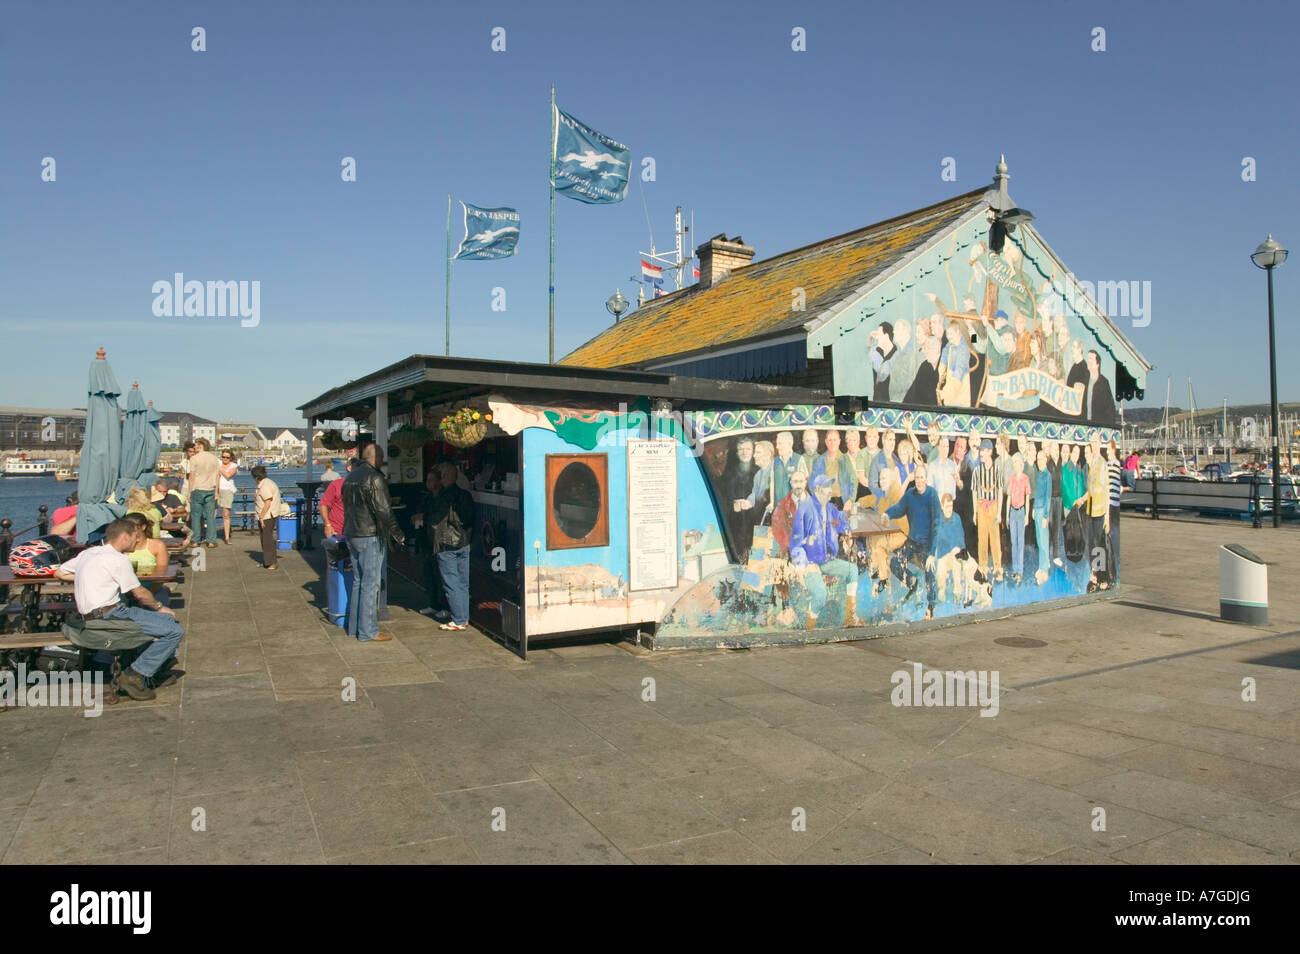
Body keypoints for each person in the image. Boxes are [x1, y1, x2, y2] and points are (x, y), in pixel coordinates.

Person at [54, 518, 185, 701]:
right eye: (135, 537)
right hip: (110, 614)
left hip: (92, 614)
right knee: (175, 630)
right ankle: (135, 674)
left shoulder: (89, 553)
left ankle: (155, 669)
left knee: (167, 622)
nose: (137, 541)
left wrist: (92, 577)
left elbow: (60, 572)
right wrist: (159, 607)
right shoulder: (118, 559)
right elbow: (139, 593)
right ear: (124, 537)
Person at [342, 443, 404, 642]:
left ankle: (354, 628)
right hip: (369, 534)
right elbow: (383, 510)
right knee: (370, 584)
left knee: (359, 582)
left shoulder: (350, 476)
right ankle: (368, 631)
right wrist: (398, 534)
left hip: (352, 532)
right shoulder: (375, 478)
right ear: (377, 459)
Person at [789, 475, 862, 630]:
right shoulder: (805, 509)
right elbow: (795, 543)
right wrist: (804, 565)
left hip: (827, 560)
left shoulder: (830, 508)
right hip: (810, 563)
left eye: (830, 487)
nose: (830, 491)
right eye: (827, 487)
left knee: (853, 570)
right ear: (817, 490)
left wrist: (847, 530)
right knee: (820, 595)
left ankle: (850, 617)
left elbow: (840, 522)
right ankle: (809, 629)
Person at [885, 462, 940, 619]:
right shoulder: (910, 494)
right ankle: (911, 581)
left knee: (930, 571)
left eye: (922, 478)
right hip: (912, 542)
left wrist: (931, 553)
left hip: (927, 543)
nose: (919, 481)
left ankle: (931, 606)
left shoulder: (932, 495)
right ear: (914, 479)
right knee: (895, 562)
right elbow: (899, 508)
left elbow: (937, 525)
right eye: (917, 478)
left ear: (926, 479)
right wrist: (887, 514)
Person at [424, 461, 474, 631]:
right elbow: (469, 519)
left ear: (444, 477)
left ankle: (459, 619)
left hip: (447, 542)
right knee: (463, 582)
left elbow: (433, 521)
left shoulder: (442, 497)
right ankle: (464, 616)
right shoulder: (465, 495)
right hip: (464, 542)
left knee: (451, 581)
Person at [411, 469, 451, 621]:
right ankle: (433, 603)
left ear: (440, 481)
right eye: (427, 480)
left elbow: (439, 517)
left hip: (439, 540)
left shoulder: (443, 498)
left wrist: (424, 517)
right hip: (426, 539)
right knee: (428, 574)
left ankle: (445, 606)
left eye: (432, 480)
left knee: (440, 575)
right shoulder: (427, 498)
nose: (429, 483)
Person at [972, 440, 1003, 581]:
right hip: (981, 505)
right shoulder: (977, 471)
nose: (980, 453)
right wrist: (975, 512)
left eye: (983, 450)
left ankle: (998, 568)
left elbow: (1000, 491)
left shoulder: (997, 469)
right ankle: (983, 567)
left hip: (994, 505)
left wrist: (999, 511)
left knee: (995, 539)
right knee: (982, 538)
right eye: (980, 451)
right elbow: (974, 492)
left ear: (990, 451)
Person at [121, 512, 171, 597]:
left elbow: (161, 574)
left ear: (143, 527)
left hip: (153, 588)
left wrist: (148, 595)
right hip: (127, 590)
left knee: (161, 597)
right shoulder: (123, 546)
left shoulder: (157, 546)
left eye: (131, 527)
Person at [188, 437, 221, 548]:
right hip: (210, 489)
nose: (195, 448)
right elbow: (217, 477)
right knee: (210, 516)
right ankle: (211, 540)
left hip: (197, 488)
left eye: (196, 446)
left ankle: (196, 540)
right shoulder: (214, 459)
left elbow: (192, 476)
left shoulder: (194, 459)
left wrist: (189, 492)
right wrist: (216, 491)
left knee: (196, 516)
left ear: (200, 446)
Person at [1006, 453, 1031, 583]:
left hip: (1021, 512)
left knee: (1020, 543)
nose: (1015, 465)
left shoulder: (1026, 479)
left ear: (1021, 464)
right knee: (1013, 542)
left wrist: (1027, 515)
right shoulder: (1011, 479)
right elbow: (1008, 497)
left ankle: (1020, 572)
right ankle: (1015, 571)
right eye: (1014, 463)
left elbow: (1027, 498)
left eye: (1017, 463)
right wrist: (1006, 515)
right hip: (1012, 512)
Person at [252, 464, 282, 570]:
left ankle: (271, 563)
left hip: (267, 516)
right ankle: (268, 561)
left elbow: (267, 502)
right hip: (269, 515)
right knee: (266, 538)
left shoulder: (265, 485)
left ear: (256, 477)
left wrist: (261, 517)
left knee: (267, 539)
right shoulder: (268, 483)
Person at [1032, 449, 1053, 583]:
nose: (1039, 462)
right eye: (1038, 459)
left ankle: (1044, 571)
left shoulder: (1047, 475)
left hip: (1043, 512)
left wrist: (1045, 515)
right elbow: (1037, 494)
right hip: (1037, 510)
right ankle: (1041, 566)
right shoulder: (1038, 474)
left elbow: (1047, 497)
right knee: (1039, 541)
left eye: (1042, 459)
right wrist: (1034, 509)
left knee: (1044, 542)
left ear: (1046, 460)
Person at [319, 459, 351, 538]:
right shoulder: (336, 477)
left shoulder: (323, 476)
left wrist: (327, 524)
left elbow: (323, 504)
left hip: (328, 496)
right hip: (339, 529)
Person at [1084, 350, 1117, 424]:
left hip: (1098, 423)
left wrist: (1110, 425)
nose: (1088, 361)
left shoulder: (1103, 382)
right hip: (1084, 422)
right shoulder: (1084, 380)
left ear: (1097, 364)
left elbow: (1110, 407)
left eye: (1091, 359)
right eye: (1088, 358)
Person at [869, 323, 897, 403]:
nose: (877, 337)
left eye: (879, 334)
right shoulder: (877, 352)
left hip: (891, 403)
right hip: (877, 401)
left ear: (886, 336)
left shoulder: (896, 353)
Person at [218, 450, 239, 544]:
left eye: (227, 457)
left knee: (226, 514)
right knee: (213, 512)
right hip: (217, 489)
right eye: (223, 457)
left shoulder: (233, 466)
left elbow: (228, 475)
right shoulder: (218, 463)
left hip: (227, 490)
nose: (225, 459)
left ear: (230, 458)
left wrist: (219, 468)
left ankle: (226, 537)